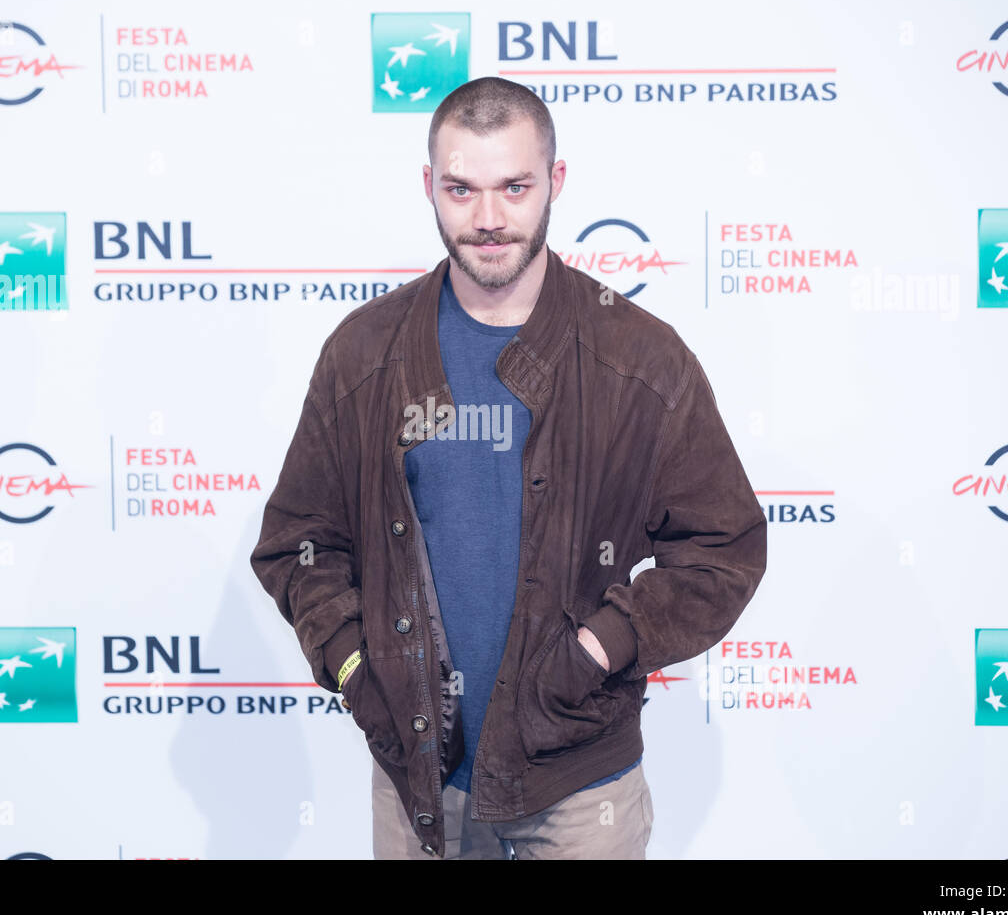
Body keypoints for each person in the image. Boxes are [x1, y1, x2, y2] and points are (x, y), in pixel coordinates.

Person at [251, 76, 767, 859]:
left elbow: (724, 546)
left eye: (514, 187)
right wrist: (359, 669)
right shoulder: (363, 354)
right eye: (461, 189)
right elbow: (298, 545)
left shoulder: (639, 359)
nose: (488, 219)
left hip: (581, 783)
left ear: (555, 182)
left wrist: (599, 648)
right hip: (415, 782)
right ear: (429, 185)